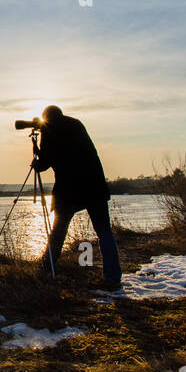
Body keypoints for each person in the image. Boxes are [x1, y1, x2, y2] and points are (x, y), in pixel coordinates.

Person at [32, 105, 122, 290]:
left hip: (69, 190)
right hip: (94, 185)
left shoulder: (49, 131)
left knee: (58, 230)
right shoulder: (76, 124)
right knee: (104, 231)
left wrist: (36, 151)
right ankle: (113, 277)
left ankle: (46, 266)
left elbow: (45, 163)